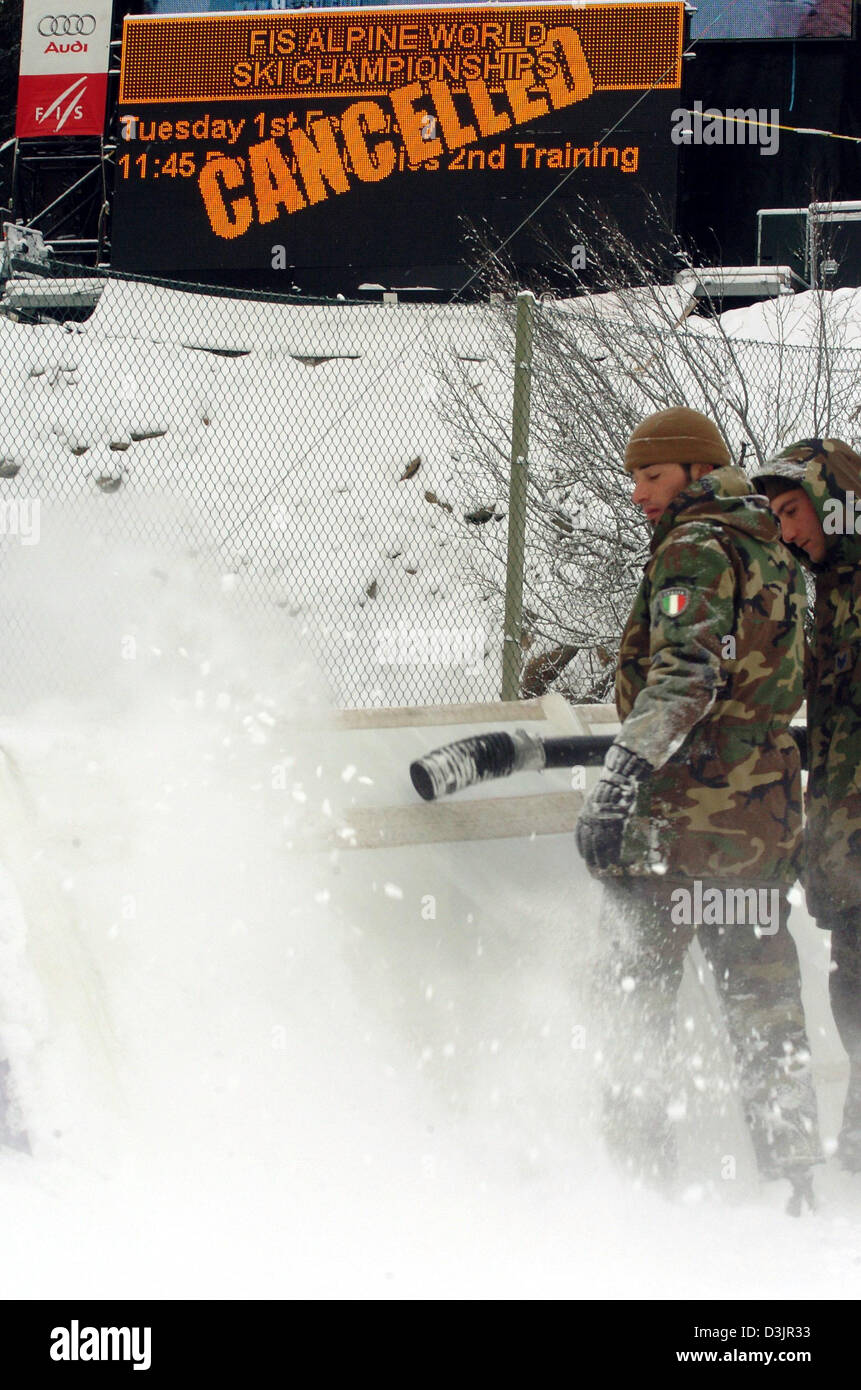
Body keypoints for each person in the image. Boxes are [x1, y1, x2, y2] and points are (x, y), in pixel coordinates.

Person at [575, 407, 821, 1212]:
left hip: (678, 829)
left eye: (650, 476)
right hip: (757, 827)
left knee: (632, 1002)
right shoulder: (771, 549)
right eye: (633, 480)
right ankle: (794, 1184)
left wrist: (618, 777)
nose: (639, 494)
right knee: (765, 1005)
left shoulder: (694, 544)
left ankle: (633, 1188)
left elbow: (686, 677)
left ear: (690, 470)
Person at [752, 438, 861, 1172]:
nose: (787, 534)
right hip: (844, 848)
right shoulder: (829, 596)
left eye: (793, 513)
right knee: (849, 991)